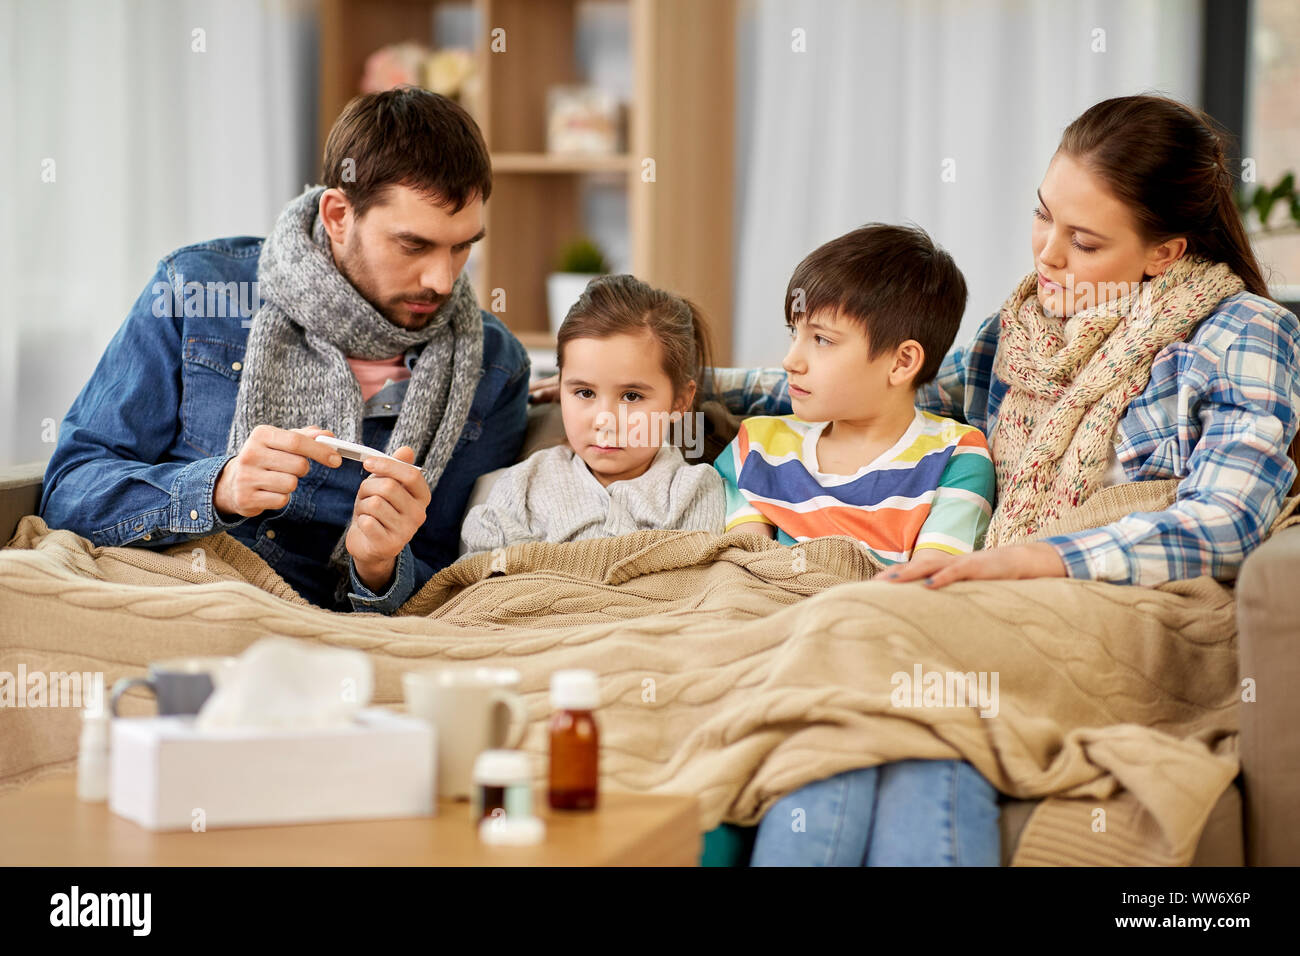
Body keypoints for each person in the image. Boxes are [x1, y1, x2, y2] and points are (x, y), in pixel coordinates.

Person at [531, 94, 1300, 865]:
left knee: (856, 629)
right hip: (995, 595)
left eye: (1086, 242)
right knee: (887, 699)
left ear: (1165, 251)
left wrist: (1032, 559)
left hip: (1129, 605)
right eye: (1043, 217)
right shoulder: (1021, 332)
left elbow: (1227, 518)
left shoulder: (1246, 334)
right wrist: (662, 380)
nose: (1048, 256)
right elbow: (882, 390)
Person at [40, 87, 530, 613]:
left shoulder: (492, 368)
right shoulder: (197, 292)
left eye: (462, 246)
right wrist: (217, 487)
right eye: (414, 245)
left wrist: (380, 567)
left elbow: (457, 582)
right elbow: (69, 490)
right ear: (339, 215)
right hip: (171, 597)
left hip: (323, 633)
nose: (441, 280)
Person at [714, 224, 996, 574]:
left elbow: (928, 582)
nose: (790, 361)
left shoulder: (956, 457)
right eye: (794, 332)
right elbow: (744, 573)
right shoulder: (756, 447)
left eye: (821, 340)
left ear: (902, 362)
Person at [459, 274, 724, 557]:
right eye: (585, 393)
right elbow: (478, 584)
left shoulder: (694, 493)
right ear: (559, 389)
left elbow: (692, 589)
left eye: (631, 396)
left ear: (679, 402)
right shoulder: (520, 487)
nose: (604, 420)